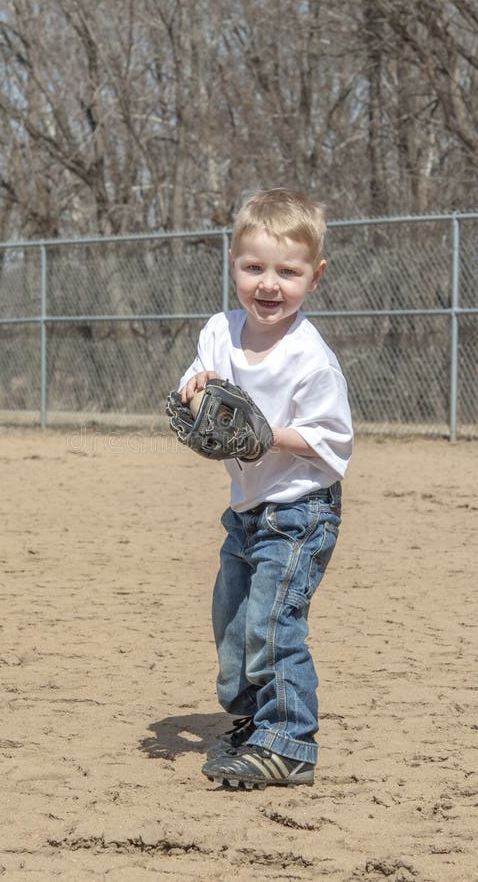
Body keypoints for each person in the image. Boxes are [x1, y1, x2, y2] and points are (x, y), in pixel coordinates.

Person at [175, 188, 353, 789]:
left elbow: (333, 442)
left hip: (301, 511)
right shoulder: (220, 331)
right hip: (247, 510)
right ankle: (255, 724)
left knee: (273, 626)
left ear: (315, 276)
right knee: (233, 624)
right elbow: (196, 386)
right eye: (254, 267)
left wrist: (266, 434)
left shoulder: (312, 358)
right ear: (233, 265)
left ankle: (290, 744)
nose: (269, 284)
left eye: (288, 270)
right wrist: (196, 393)